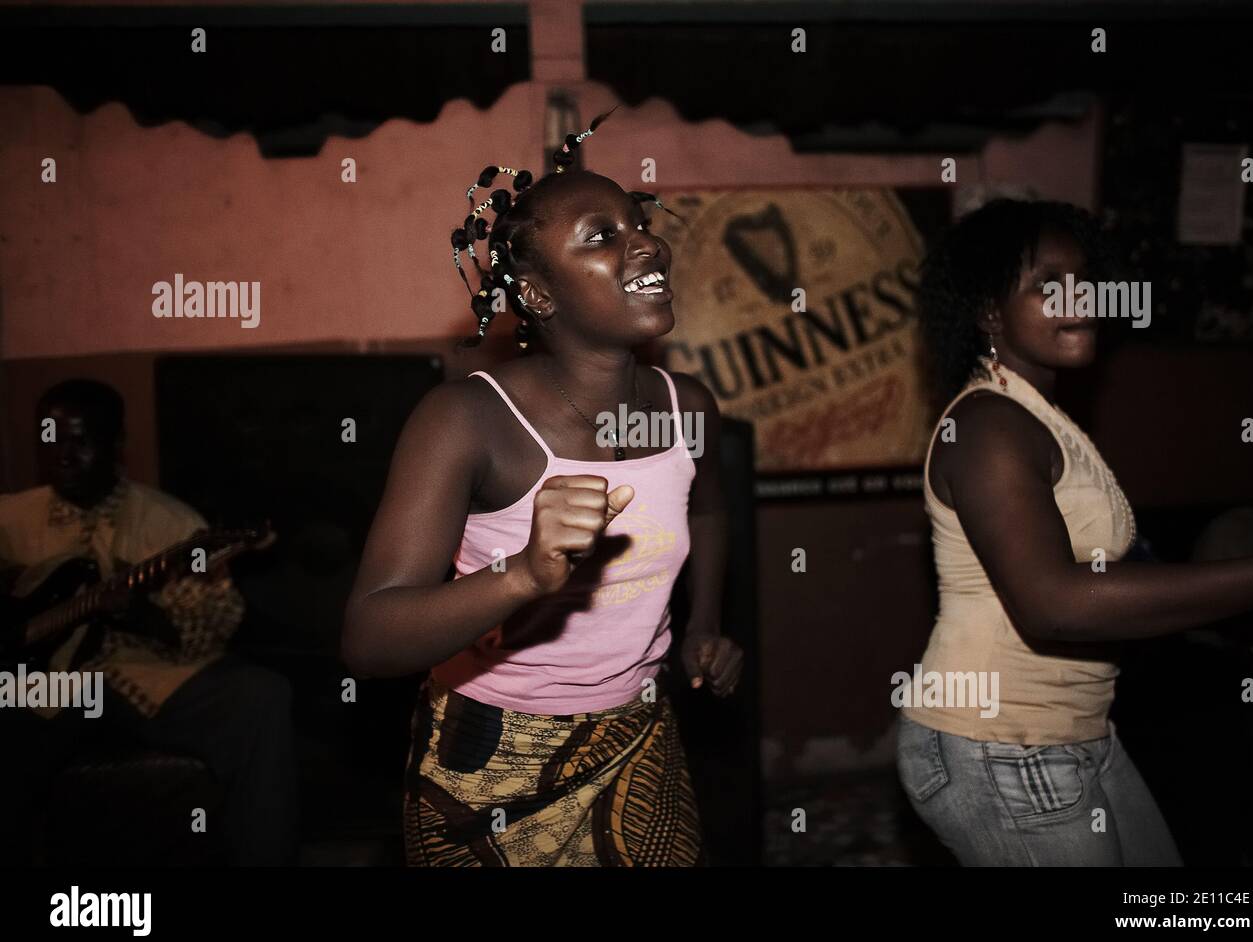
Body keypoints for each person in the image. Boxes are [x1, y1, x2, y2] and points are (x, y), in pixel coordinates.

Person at [341, 109, 742, 867]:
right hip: (487, 755)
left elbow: (712, 508)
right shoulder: (465, 421)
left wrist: (702, 623)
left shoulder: (686, 407)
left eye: (638, 223)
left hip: (638, 737)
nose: (645, 242)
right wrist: (522, 575)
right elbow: (369, 638)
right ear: (540, 294)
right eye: (602, 236)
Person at [894, 198, 1253, 866]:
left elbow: (1113, 582)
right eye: (1047, 286)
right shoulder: (992, 426)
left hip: (1070, 731)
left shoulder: (1035, 413)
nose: (1079, 299)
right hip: (1000, 743)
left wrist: (1239, 617)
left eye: (1086, 280)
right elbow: (1055, 603)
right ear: (990, 311)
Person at [0, 378, 297, 865]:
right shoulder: (10, 519)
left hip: (144, 676)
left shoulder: (172, 525)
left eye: (80, 440)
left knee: (261, 695)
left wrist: (141, 614)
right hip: (41, 684)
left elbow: (209, 630)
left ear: (116, 446)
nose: (62, 454)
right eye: (50, 438)